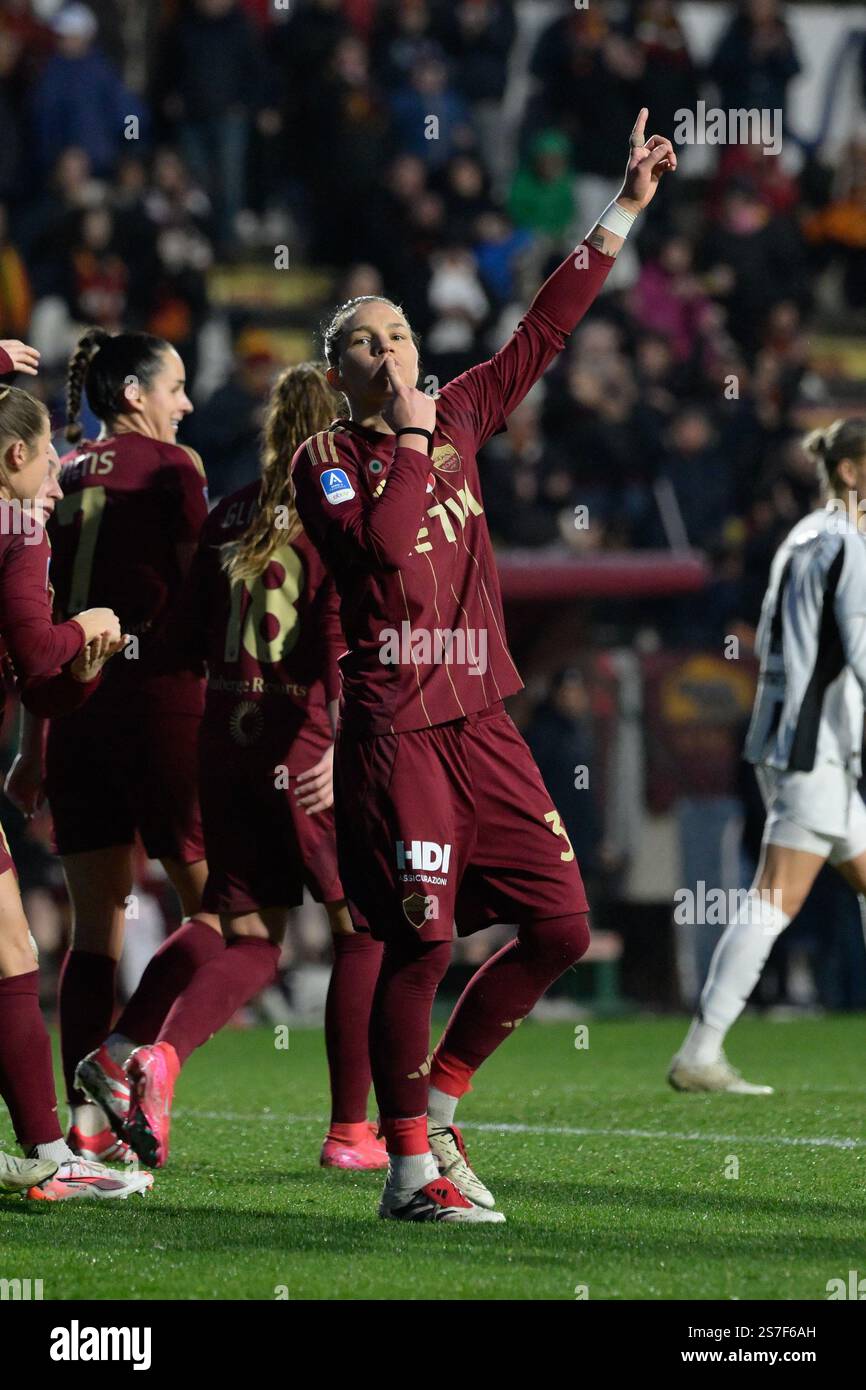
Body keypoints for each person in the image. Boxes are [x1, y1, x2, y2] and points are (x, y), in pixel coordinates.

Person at [292, 109, 676, 1222]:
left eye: (402, 334)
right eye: (368, 342)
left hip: (481, 722)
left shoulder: (461, 410)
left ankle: (445, 1104)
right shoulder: (330, 461)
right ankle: (407, 1170)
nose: (394, 352)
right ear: (339, 372)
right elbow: (381, 563)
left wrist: (619, 216)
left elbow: (537, 338)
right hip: (395, 729)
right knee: (417, 939)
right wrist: (410, 442)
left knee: (558, 921)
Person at [78, 364, 387, 1173]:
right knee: (362, 930)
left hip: (223, 741)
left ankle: (130, 1053)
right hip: (301, 742)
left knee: (243, 933)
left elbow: (177, 643)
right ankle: (351, 1132)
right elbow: (336, 641)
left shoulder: (229, 514)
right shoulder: (338, 517)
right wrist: (335, 739)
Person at [9, 328, 218, 1165]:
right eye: (174, 386)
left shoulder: (52, 468)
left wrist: (34, 746)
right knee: (233, 912)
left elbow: (37, 623)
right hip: (164, 702)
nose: (187, 403)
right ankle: (125, 1050)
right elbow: (208, 582)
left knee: (95, 927)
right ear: (133, 393)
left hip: (76, 712)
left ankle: (84, 1132)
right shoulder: (175, 467)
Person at [670, 420, 866, 1094]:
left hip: (792, 739)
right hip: (817, 748)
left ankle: (702, 1049)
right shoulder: (848, 544)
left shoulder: (803, 537)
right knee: (774, 899)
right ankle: (700, 1049)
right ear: (848, 471)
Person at [0, 371, 151, 1200]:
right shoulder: (19, 526)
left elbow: (46, 683)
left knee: (10, 949)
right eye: (50, 459)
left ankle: (48, 1152)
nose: (60, 478)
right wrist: (89, 628)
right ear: (15, 455)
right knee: (12, 953)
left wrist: (80, 673)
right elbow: (35, 654)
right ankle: (54, 1157)